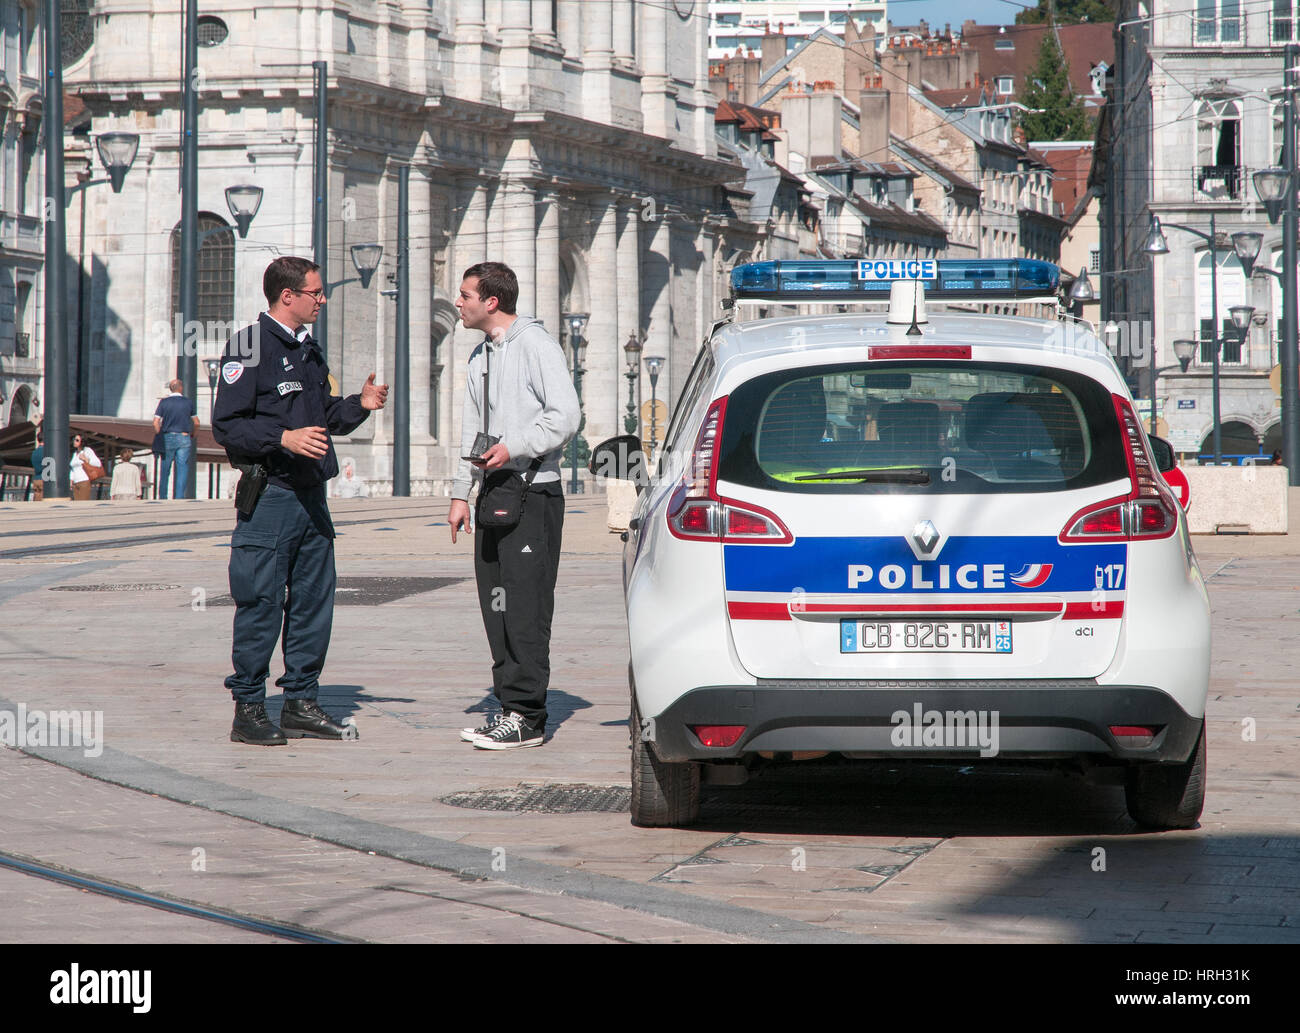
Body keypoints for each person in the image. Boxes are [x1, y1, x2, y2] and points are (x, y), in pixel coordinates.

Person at [212, 256, 388, 746]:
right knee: (261, 602)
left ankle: (300, 704)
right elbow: (227, 425)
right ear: (287, 296)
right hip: (270, 495)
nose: (323, 300)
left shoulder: (308, 349)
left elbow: (323, 412)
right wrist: (282, 438)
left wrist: (359, 405)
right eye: (316, 292)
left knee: (314, 602)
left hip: (312, 497)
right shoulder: (249, 346)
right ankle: (248, 708)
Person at [449, 262, 580, 750]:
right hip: (493, 494)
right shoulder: (480, 356)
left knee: (524, 607)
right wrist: (461, 492)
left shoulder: (536, 345)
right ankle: (509, 708)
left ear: (492, 302)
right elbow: (472, 431)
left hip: (533, 490)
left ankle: (529, 716)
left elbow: (566, 415)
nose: (458, 303)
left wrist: (516, 445)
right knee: (495, 605)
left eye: (465, 295)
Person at [153, 379, 199, 499]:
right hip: (184, 436)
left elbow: (155, 422)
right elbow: (197, 422)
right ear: (181, 388)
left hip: (167, 437)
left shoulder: (164, 402)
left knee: (165, 469)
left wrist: (159, 435)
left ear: (170, 388)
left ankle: (163, 496)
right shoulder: (188, 402)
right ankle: (179, 497)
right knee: (182, 468)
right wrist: (193, 434)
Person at [69, 434, 101, 501]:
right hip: (75, 482)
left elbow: (98, 463)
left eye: (77, 440)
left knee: (83, 503)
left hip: (84, 481)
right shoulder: (75, 453)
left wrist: (86, 459)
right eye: (74, 439)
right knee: (77, 504)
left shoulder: (87, 450)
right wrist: (71, 480)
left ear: (82, 442)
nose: (74, 441)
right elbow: (73, 468)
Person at [30, 429, 45, 501]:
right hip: (44, 479)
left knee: (37, 498)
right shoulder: (46, 452)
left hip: (36, 479)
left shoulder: (34, 453)